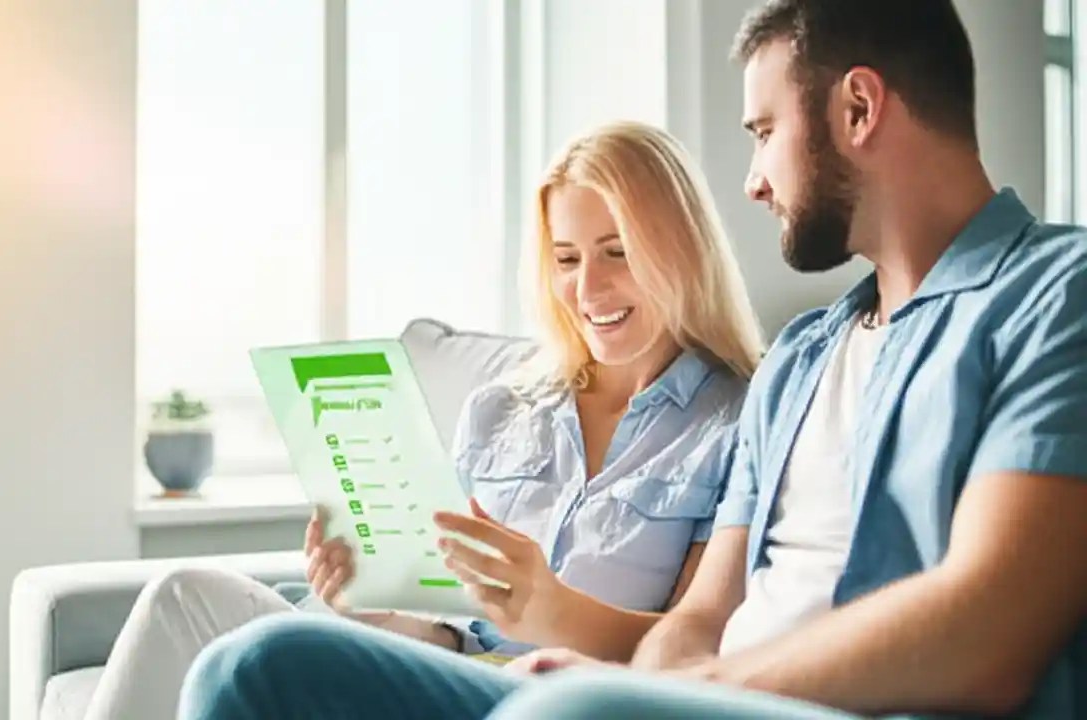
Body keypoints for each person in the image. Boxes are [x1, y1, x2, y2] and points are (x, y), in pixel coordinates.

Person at [177, 1, 1087, 718]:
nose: (753, 180)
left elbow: (989, 633)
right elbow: (700, 620)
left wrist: (666, 689)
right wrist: (637, 675)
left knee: (560, 715)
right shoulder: (803, 360)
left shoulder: (1054, 297)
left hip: (827, 706)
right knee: (254, 665)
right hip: (694, 698)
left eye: (763, 131)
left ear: (858, 108)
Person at [82, 120, 764, 720]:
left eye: (617, 251)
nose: (588, 288)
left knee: (257, 659)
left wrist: (553, 609)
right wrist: (372, 605)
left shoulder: (736, 422)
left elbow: (697, 648)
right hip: (441, 665)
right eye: (567, 259)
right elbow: (444, 628)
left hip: (547, 693)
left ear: (681, 246)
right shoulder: (501, 409)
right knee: (180, 597)